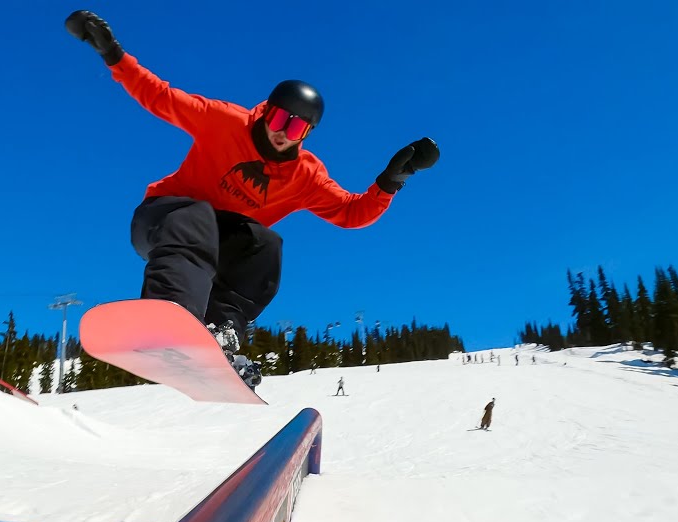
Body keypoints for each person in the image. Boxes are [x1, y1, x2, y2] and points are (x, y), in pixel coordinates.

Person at [65, 10, 439, 387]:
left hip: (214, 246)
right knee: (197, 216)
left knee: (265, 244)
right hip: (161, 221)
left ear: (306, 133)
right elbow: (159, 96)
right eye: (278, 119)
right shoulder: (225, 122)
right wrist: (113, 53)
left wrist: (391, 181)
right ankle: (169, 314)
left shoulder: (305, 175)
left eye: (294, 127)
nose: (282, 132)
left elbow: (351, 212)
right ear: (266, 112)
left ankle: (219, 332)